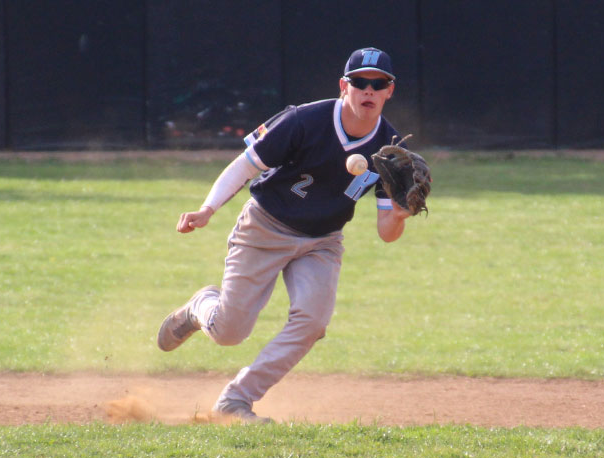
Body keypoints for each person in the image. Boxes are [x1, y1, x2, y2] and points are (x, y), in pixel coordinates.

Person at [158, 47, 413, 423]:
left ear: (390, 91)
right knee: (230, 332)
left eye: (379, 84)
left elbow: (386, 233)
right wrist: (207, 209)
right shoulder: (303, 121)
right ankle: (201, 307)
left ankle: (236, 400)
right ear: (345, 85)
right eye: (360, 82)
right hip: (265, 227)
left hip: (322, 241)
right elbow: (244, 167)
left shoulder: (391, 151)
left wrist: (401, 211)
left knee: (313, 322)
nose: (368, 90)